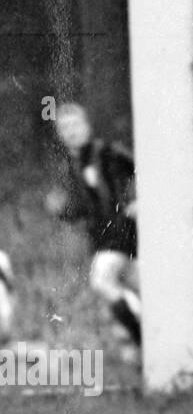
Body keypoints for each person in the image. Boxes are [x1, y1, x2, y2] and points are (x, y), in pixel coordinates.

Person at [47, 102, 142, 352]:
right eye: (65, 128)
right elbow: (78, 209)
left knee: (101, 280)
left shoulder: (108, 151)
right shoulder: (69, 167)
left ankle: (140, 333)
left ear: (87, 126)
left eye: (75, 125)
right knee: (135, 287)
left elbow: (143, 169)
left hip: (125, 231)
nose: (71, 131)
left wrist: (139, 201)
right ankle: (140, 340)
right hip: (102, 237)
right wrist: (61, 210)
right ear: (60, 134)